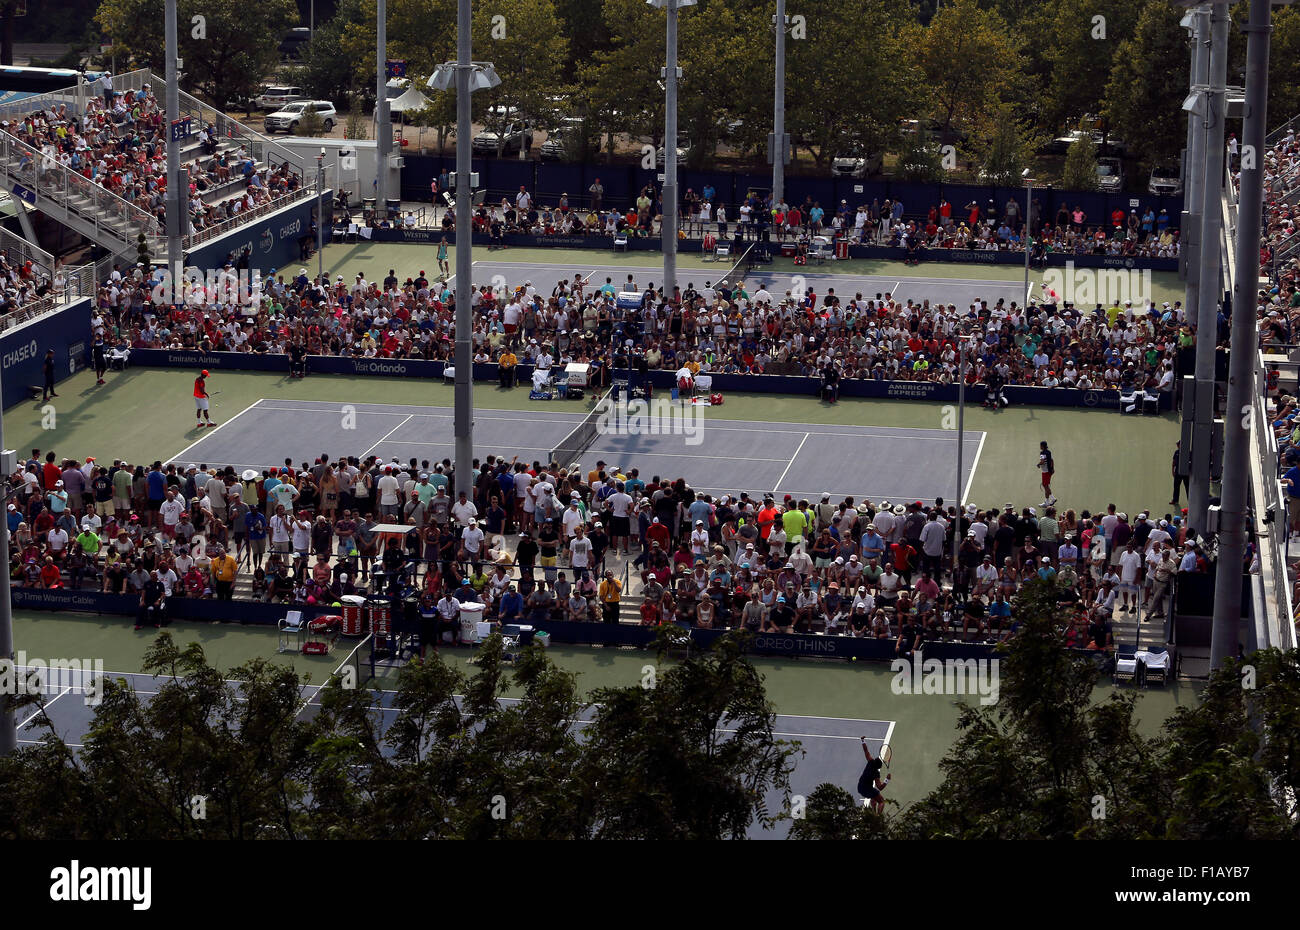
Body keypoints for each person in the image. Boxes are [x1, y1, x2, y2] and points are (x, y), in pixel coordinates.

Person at [857, 738, 890, 814]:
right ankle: (878, 818)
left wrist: (863, 741)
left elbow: (866, 751)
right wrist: (887, 779)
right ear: (879, 767)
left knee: (874, 796)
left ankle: (873, 813)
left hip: (860, 787)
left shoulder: (870, 762)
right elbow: (880, 787)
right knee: (881, 801)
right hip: (867, 790)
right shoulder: (876, 773)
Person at [1037, 441, 1055, 506]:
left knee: (1045, 486)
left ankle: (1051, 499)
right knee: (1045, 485)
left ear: (1042, 446)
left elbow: (1042, 461)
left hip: (1045, 472)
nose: (1040, 447)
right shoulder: (1049, 452)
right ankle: (1048, 501)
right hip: (1049, 471)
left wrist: (1038, 464)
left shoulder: (1042, 453)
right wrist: (1053, 468)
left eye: (1040, 445)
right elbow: (1051, 460)